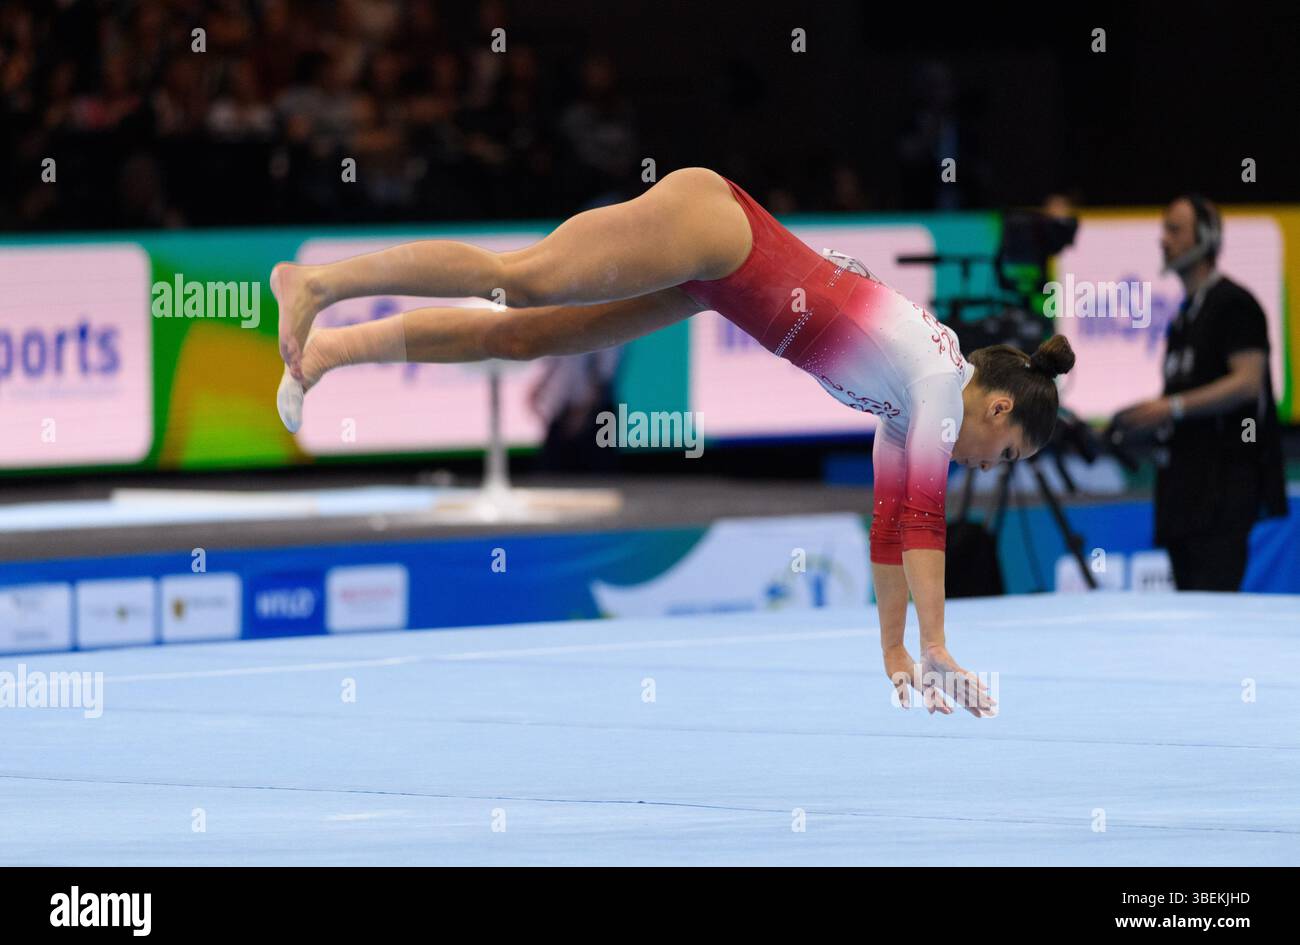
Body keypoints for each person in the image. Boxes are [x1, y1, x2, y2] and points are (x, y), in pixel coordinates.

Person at [272, 167, 1078, 718]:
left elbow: (891, 528)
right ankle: (320, 283)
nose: (987, 465)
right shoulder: (940, 390)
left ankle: (332, 354)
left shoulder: (913, 402)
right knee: (524, 281)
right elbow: (926, 529)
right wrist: (939, 646)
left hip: (720, 278)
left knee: (531, 337)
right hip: (719, 234)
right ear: (999, 406)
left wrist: (899, 651)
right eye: (1004, 453)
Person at [1114, 195, 1287, 590]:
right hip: (1184, 496)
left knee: (1216, 614)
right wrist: (1148, 415)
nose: (1164, 239)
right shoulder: (1183, 319)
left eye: (1175, 229)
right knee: (1190, 613)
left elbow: (1248, 381)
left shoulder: (1234, 304)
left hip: (1222, 495)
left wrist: (1170, 407)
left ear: (1206, 238)